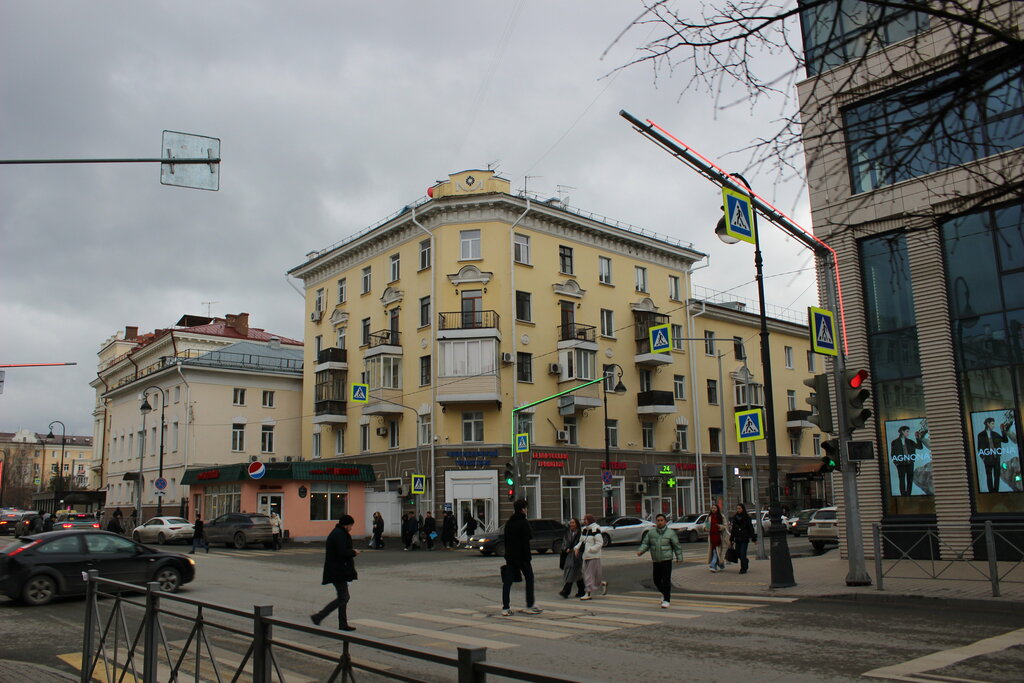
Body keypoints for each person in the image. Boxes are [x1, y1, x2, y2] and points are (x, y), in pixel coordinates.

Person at [311, 514, 359, 632]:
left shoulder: (339, 533)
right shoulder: (339, 534)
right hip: (338, 571)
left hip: (339, 570)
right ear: (346, 525)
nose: (351, 528)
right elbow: (342, 552)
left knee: (343, 597)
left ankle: (342, 624)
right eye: (351, 525)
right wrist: (353, 552)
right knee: (343, 597)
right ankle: (319, 616)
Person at [501, 498, 541, 616]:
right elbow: (526, 540)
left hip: (511, 557)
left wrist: (508, 556)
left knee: (507, 583)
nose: (527, 510)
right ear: (522, 509)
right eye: (526, 508)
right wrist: (527, 558)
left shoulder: (509, 522)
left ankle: (505, 607)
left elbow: (506, 540)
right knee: (529, 579)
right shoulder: (523, 522)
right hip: (523, 557)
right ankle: (529, 605)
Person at [637, 513, 683, 608]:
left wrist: (679, 557)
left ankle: (667, 599)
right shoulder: (651, 533)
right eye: (658, 520)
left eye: (662, 520)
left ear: (665, 521)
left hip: (667, 559)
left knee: (666, 580)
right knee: (656, 580)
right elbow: (646, 543)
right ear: (656, 522)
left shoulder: (670, 533)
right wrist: (641, 551)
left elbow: (677, 546)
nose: (660, 522)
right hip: (656, 560)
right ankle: (664, 593)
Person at [576, 513, 606, 599]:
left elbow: (599, 543)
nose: (584, 521)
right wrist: (576, 548)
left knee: (588, 575)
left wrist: (591, 549)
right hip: (586, 556)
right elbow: (581, 541)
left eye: (585, 520)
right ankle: (601, 583)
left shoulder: (595, 529)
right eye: (584, 520)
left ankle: (588, 593)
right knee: (594, 575)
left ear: (590, 520)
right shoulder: (585, 530)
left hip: (594, 556)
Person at [978, 417, 1011, 493]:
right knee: (989, 476)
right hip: (987, 458)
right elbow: (979, 447)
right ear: (988, 424)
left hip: (996, 458)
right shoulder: (981, 435)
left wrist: (1003, 431)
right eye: (992, 423)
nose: (994, 425)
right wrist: (983, 457)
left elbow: (1005, 440)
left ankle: (996, 491)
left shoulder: (995, 434)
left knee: (997, 475)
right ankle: (990, 492)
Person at [890, 425, 924, 496]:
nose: (908, 433)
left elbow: (920, 447)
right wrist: (896, 463)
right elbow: (892, 454)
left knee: (909, 480)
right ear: (902, 431)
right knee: (901, 480)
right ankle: (903, 494)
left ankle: (909, 494)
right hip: (900, 464)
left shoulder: (910, 441)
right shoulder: (895, 442)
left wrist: (917, 438)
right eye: (907, 431)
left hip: (910, 463)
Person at [558, 518, 586, 599]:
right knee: (576, 572)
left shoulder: (580, 533)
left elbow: (582, 543)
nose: (571, 524)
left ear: (577, 524)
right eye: (570, 523)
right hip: (569, 555)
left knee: (572, 570)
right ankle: (582, 590)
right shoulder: (567, 533)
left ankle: (566, 591)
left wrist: (576, 549)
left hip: (577, 554)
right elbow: (564, 542)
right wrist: (565, 548)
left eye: (573, 523)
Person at [728, 504, 756, 575]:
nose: (738, 510)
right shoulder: (735, 518)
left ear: (742, 509)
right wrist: (731, 539)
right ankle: (746, 561)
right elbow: (733, 529)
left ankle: (743, 568)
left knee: (743, 553)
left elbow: (750, 528)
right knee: (738, 553)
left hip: (744, 538)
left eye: (739, 508)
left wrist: (753, 538)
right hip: (737, 538)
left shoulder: (747, 518)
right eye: (737, 508)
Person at [705, 504, 728, 572]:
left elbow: (725, 525)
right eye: (712, 508)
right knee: (714, 551)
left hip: (718, 536)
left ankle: (712, 566)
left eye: (714, 508)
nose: (713, 509)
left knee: (716, 551)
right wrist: (705, 528)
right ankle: (720, 564)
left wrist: (720, 527)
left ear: (717, 509)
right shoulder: (709, 517)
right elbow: (706, 525)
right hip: (711, 536)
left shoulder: (721, 516)